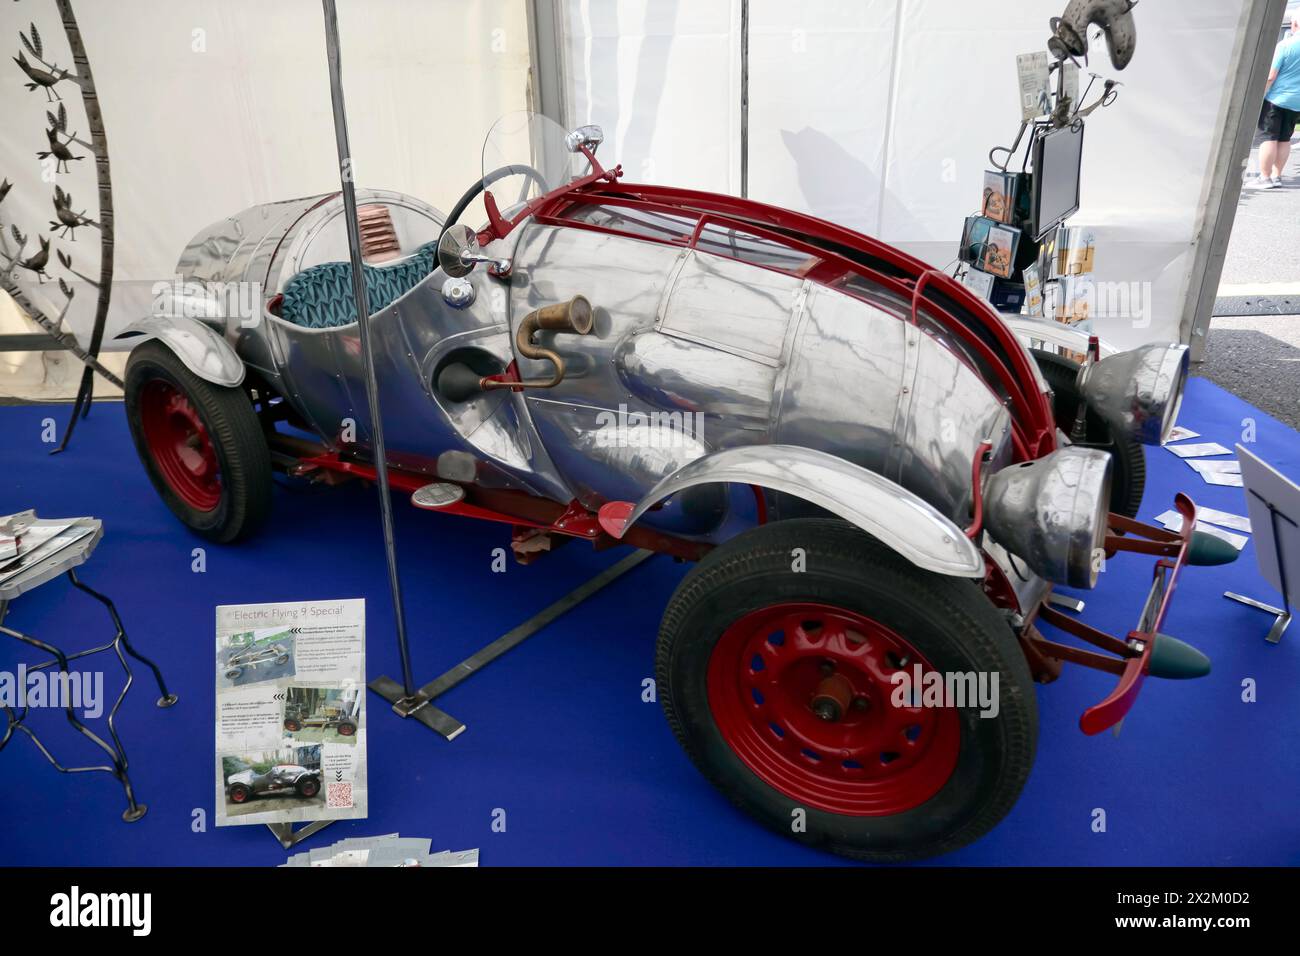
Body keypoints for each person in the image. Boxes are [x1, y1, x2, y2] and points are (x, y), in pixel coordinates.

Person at [1251, 17, 1300, 189]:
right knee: (1285, 139)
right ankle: (1277, 176)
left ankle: (1264, 178)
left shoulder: (1285, 46)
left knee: (1268, 137)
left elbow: (1271, 76)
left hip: (1277, 99)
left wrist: (1259, 94)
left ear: (1295, 24)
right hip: (1296, 102)